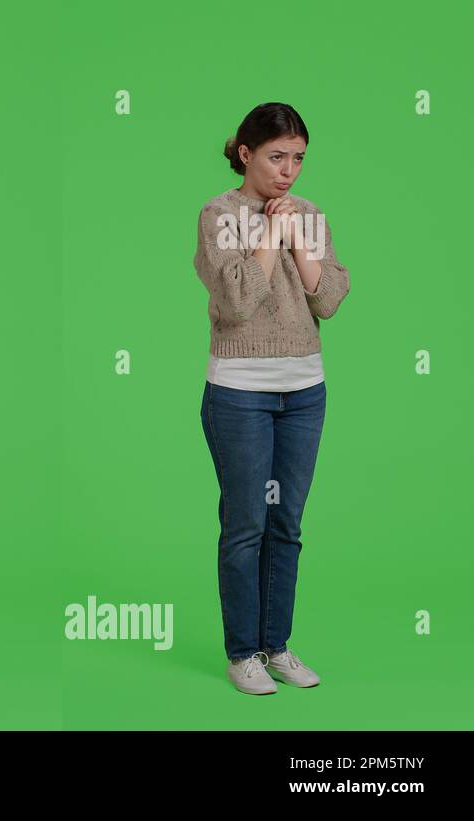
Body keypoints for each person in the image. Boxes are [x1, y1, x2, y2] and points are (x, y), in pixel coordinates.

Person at [194, 102, 349, 695]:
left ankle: (276, 644)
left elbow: (328, 298)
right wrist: (272, 234)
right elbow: (236, 300)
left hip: (305, 390)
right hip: (240, 394)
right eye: (277, 157)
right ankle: (242, 653)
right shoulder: (218, 214)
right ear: (245, 154)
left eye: (299, 159)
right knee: (245, 525)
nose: (289, 171)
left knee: (286, 524)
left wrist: (298, 238)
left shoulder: (310, 214)